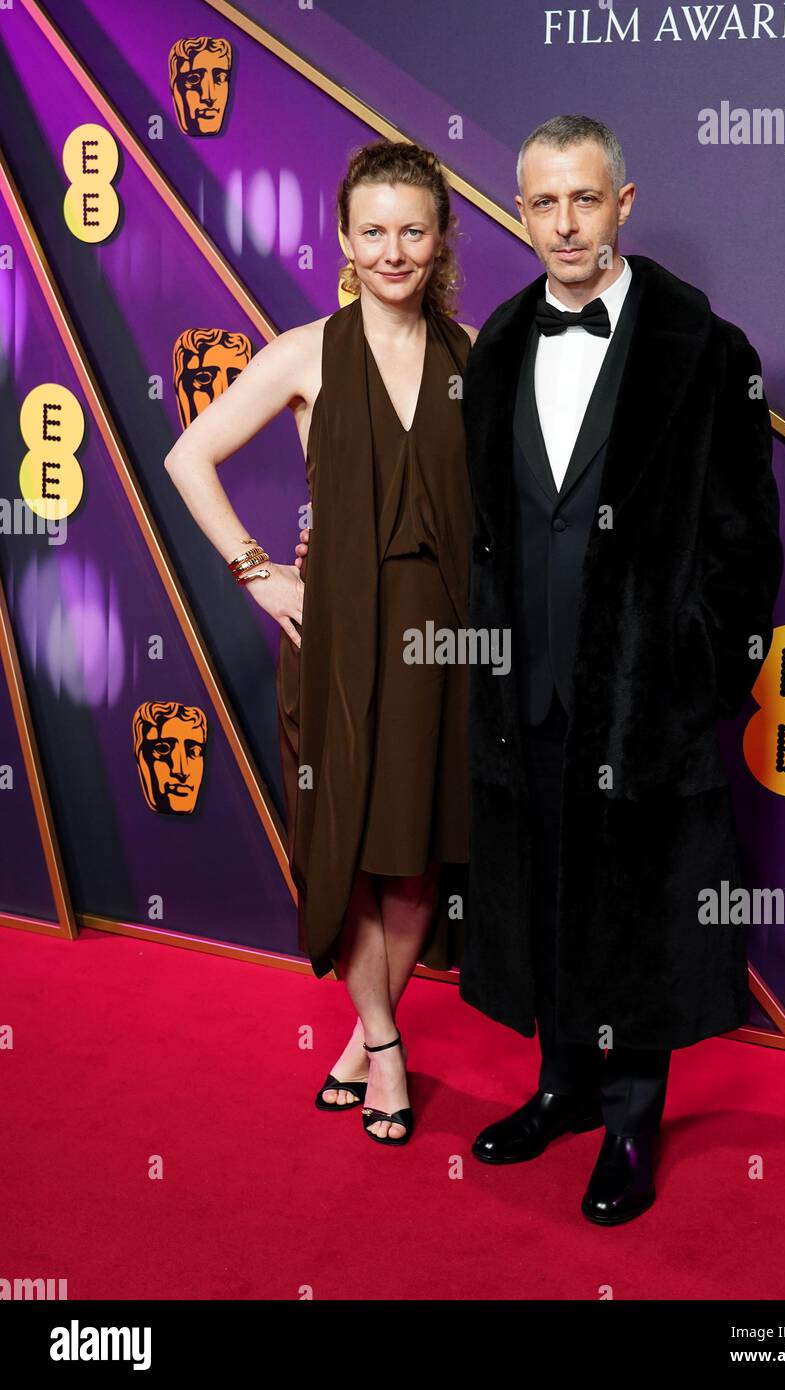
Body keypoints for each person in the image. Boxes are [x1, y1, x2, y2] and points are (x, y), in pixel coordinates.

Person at [455, 114, 784, 1224]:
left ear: (624, 206)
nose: (563, 223)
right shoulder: (495, 344)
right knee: (547, 891)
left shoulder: (708, 350)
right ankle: (563, 1086)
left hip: (648, 698)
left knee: (641, 908)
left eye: (584, 200)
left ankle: (633, 1118)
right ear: (519, 209)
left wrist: (694, 676)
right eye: (542, 202)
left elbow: (748, 548)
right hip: (526, 690)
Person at [165, 140, 478, 1147]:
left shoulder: (476, 354)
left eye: (413, 230)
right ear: (344, 240)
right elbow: (188, 456)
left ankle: (361, 1043)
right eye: (374, 230)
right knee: (341, 852)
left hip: (446, 637)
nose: (394, 250)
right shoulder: (303, 351)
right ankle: (386, 1043)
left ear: (441, 241)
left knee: (419, 849)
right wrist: (262, 572)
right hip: (338, 636)